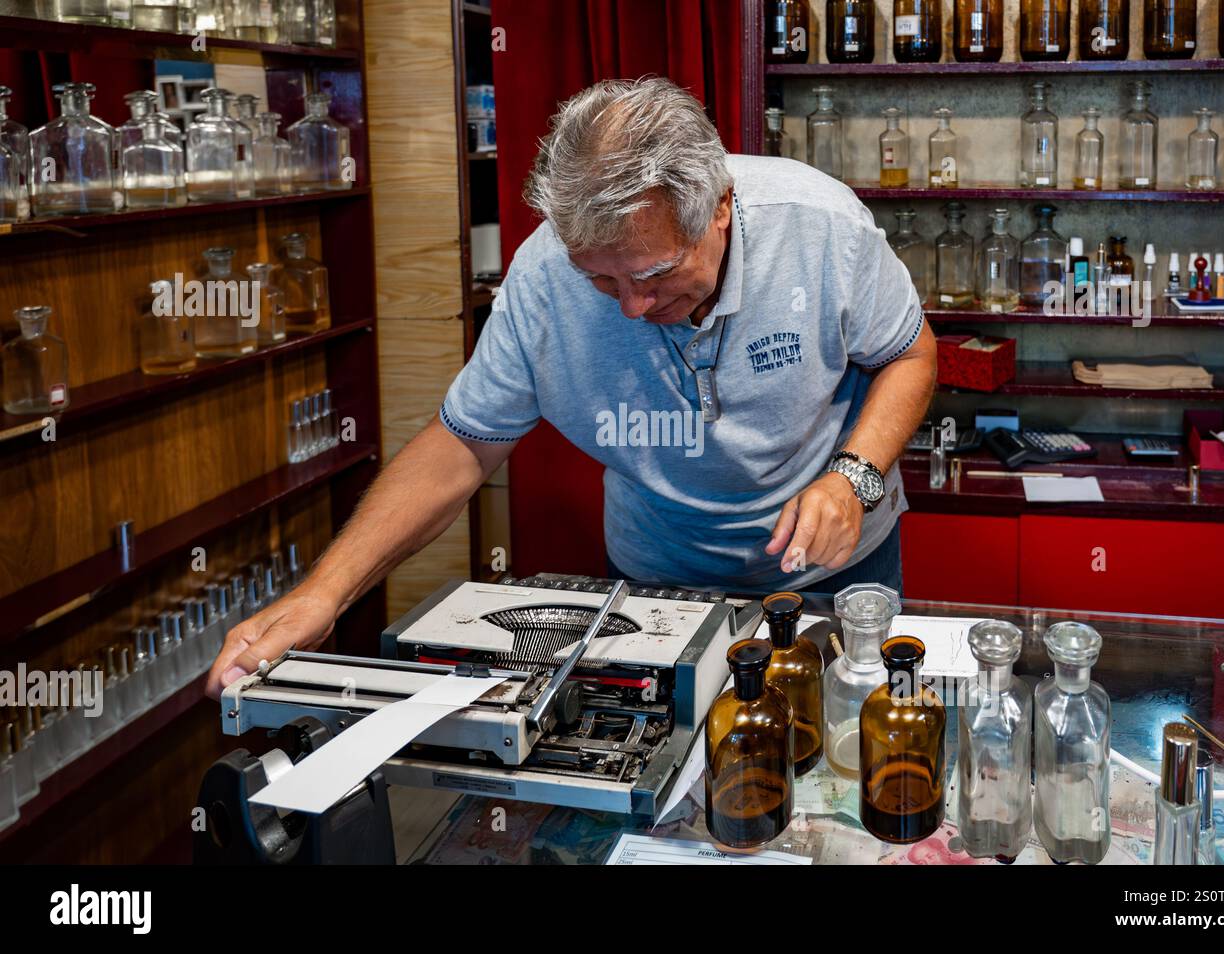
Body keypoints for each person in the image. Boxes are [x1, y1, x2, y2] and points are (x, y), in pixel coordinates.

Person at [206, 76, 935, 699]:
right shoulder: (544, 276)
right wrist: (325, 593)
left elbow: (910, 353)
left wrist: (855, 477)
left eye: (652, 274)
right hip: (658, 582)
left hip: (838, 562)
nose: (630, 308)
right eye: (601, 279)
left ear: (718, 207)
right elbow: (462, 446)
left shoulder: (821, 227)